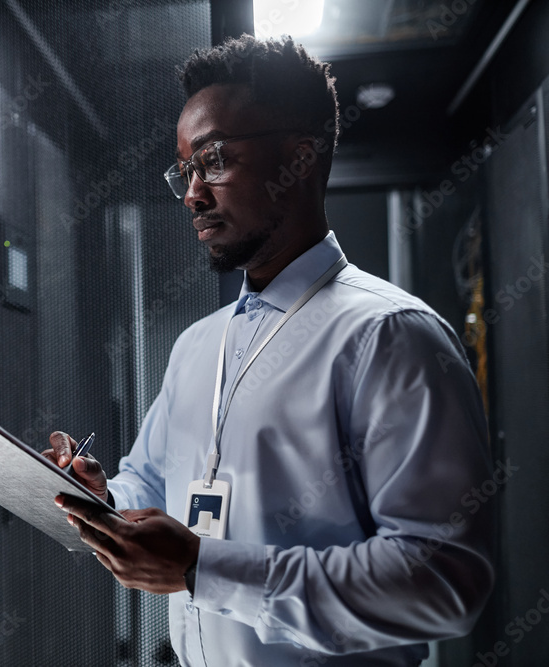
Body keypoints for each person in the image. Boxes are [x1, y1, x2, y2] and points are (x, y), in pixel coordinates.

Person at [46, 35, 494, 666]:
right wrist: (98, 498)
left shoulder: (390, 336)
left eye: (214, 161)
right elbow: (146, 482)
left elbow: (441, 583)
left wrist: (206, 569)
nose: (193, 194)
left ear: (300, 158)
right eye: (185, 170)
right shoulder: (197, 345)